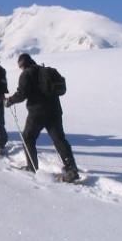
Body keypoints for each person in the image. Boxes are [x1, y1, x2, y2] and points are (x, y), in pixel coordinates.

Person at [5, 53, 80, 181]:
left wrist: (9, 101)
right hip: (55, 110)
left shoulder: (27, 73)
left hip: (37, 112)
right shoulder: (45, 71)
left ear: (22, 64)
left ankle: (32, 167)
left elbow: (22, 94)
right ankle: (71, 169)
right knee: (59, 139)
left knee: (28, 138)